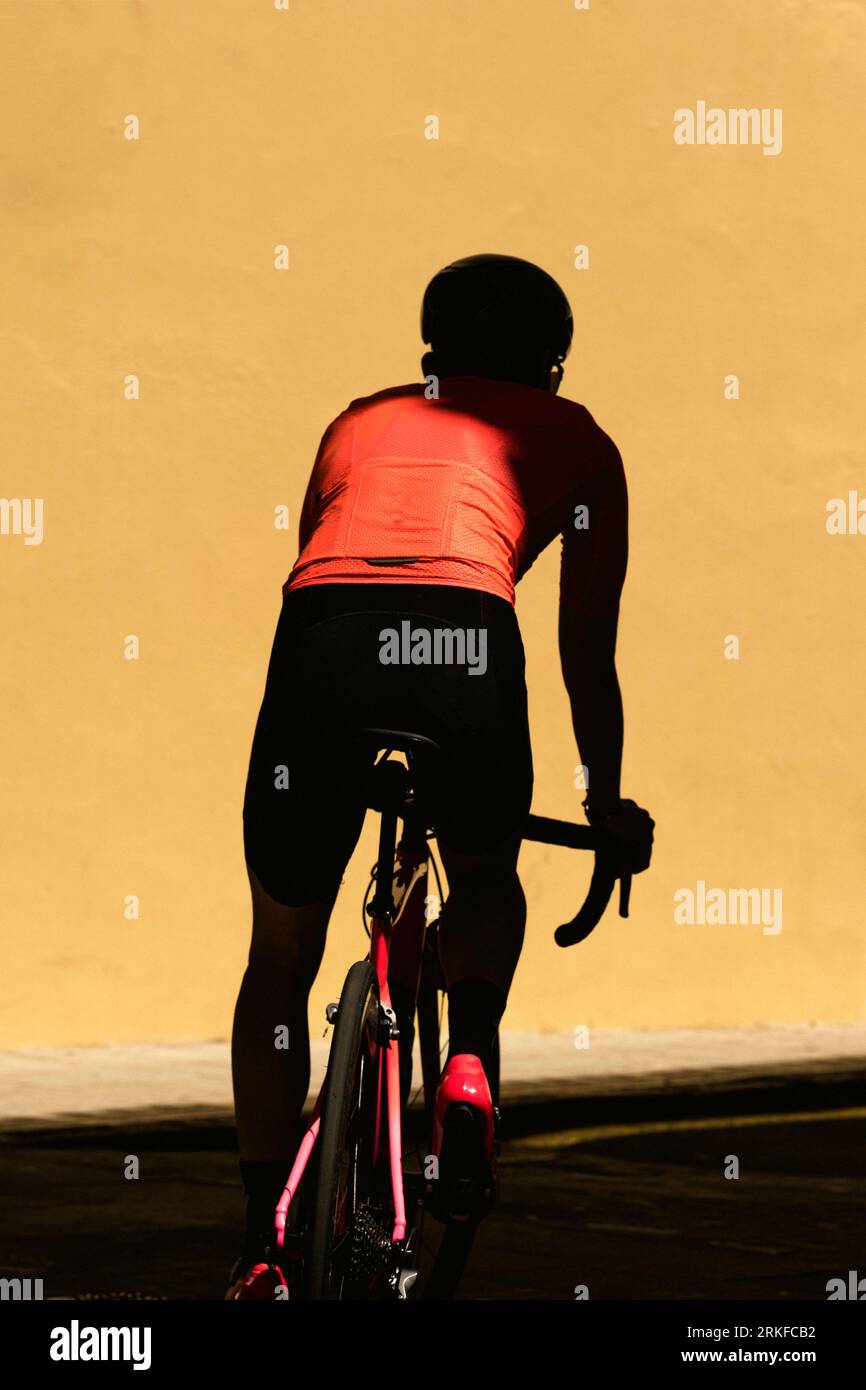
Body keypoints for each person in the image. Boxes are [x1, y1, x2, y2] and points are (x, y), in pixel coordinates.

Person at [226, 253, 654, 1298]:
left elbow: (321, 550)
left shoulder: (356, 420)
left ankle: (262, 1243)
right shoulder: (580, 441)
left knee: (279, 948)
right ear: (550, 367)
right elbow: (584, 655)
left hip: (321, 638)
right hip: (467, 643)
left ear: (428, 351)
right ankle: (464, 1060)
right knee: (483, 873)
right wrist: (603, 799)